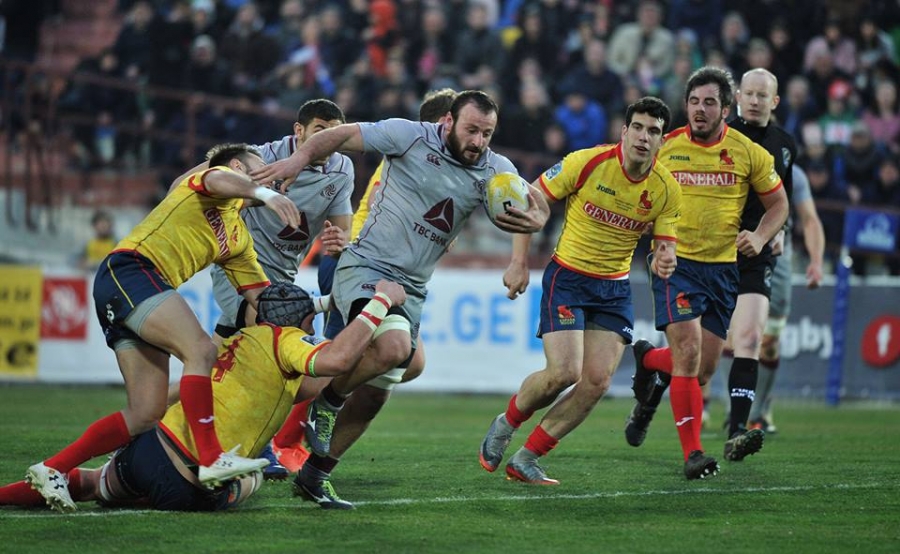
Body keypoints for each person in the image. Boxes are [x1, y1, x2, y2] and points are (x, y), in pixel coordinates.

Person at [250, 90, 551, 508]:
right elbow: (337, 136)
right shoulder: (406, 135)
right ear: (448, 121)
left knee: (376, 392)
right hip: (365, 266)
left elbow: (527, 210)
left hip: (413, 288)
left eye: (487, 133)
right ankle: (324, 403)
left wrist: (533, 230)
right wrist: (297, 162)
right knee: (394, 349)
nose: (479, 141)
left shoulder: (494, 170)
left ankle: (315, 476)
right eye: (471, 130)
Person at [25, 144, 301, 512]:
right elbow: (217, 176)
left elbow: (266, 300)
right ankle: (211, 458)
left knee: (146, 413)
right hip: (131, 270)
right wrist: (262, 192)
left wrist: (328, 304)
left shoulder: (237, 237)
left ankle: (51, 469)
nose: (269, 174)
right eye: (260, 167)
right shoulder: (202, 184)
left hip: (136, 289)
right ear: (237, 167)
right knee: (201, 350)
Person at [0, 280, 408, 512]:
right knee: (254, 476)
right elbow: (336, 361)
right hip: (191, 484)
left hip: (149, 452)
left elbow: (319, 382)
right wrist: (381, 303)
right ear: (300, 323)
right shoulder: (287, 341)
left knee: (86, 485)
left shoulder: (240, 342)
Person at [478, 97, 682, 485]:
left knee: (596, 383)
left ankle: (528, 457)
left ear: (662, 141)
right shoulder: (585, 162)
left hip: (614, 288)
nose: (644, 137)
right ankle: (507, 422)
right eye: (637, 127)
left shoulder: (666, 190)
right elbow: (528, 203)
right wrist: (519, 263)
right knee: (563, 373)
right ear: (624, 132)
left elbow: (666, 243)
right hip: (568, 278)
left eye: (653, 131)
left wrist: (665, 258)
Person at [269, 90, 457, 475]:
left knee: (408, 361)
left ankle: (303, 432)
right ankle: (280, 439)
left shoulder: (440, 168)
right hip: (356, 266)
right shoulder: (414, 154)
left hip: (382, 272)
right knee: (337, 362)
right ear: (444, 125)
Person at [167, 99, 355, 479]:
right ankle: (263, 444)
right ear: (298, 131)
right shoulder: (260, 158)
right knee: (281, 348)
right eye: (321, 130)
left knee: (221, 364)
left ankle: (149, 413)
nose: (329, 140)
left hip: (284, 278)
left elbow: (342, 233)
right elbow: (180, 186)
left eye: (335, 132)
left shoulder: (342, 168)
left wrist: (338, 241)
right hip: (238, 269)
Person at [622, 67, 789, 479]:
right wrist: (653, 241)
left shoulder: (748, 151)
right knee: (689, 354)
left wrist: (762, 234)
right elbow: (633, 187)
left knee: (701, 370)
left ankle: (648, 361)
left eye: (709, 102)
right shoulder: (668, 146)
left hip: (723, 271)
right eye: (694, 102)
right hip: (675, 265)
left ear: (725, 109)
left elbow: (779, 204)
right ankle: (694, 453)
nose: (699, 109)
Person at [716, 68, 798, 443]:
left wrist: (774, 233)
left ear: (774, 101)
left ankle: (737, 428)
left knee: (749, 337)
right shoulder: (719, 136)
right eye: (748, 93)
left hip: (756, 251)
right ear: (737, 97)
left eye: (761, 95)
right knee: (703, 350)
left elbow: (784, 200)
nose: (753, 100)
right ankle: (651, 374)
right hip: (712, 251)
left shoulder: (784, 145)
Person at [750, 164, 825, 432]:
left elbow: (810, 219)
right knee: (736, 335)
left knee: (769, 340)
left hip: (779, 255)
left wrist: (816, 261)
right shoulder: (732, 156)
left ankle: (759, 410)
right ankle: (738, 411)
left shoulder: (795, 174)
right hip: (738, 245)